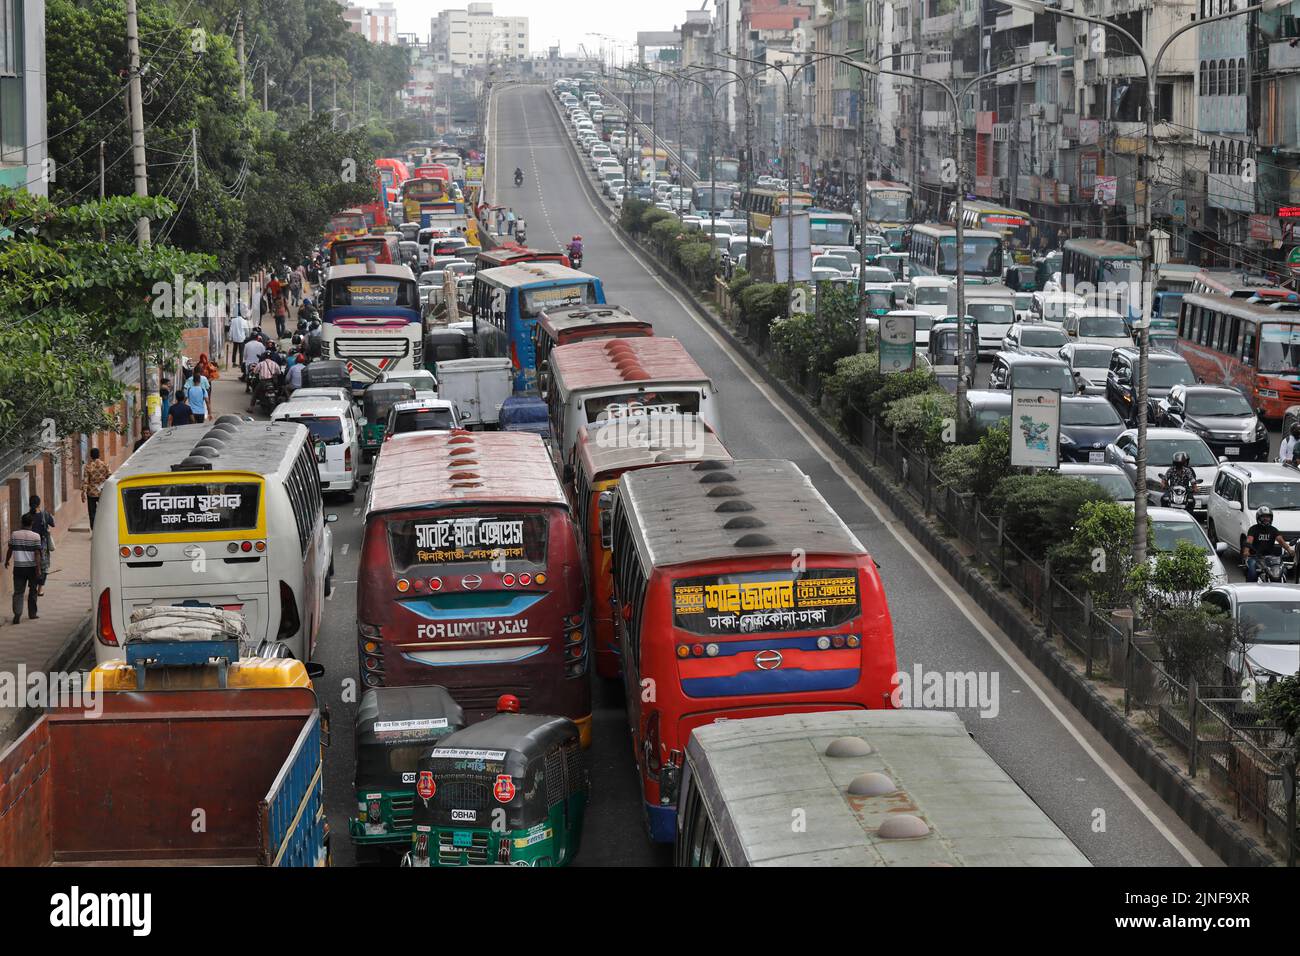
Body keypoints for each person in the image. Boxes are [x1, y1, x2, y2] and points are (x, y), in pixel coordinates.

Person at [1243, 505, 1297, 582]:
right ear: (1258, 518)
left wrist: (1289, 550)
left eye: (1268, 517)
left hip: (1270, 557)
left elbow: (1281, 541)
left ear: (1271, 518)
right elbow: (1249, 540)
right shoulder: (1253, 529)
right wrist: (1246, 551)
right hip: (1255, 557)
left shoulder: (1273, 530)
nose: (1266, 519)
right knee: (1253, 572)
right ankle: (1250, 588)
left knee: (1283, 571)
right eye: (1263, 517)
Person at [5, 513, 42, 623]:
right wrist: (38, 570)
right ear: (32, 523)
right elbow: (37, 554)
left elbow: (10, 549)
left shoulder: (14, 535)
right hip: (32, 569)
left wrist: (7, 561)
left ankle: (17, 614)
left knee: (18, 592)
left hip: (18, 568)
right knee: (33, 591)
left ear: (22, 522)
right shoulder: (36, 536)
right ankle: (32, 613)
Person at [25, 495, 54, 597]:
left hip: (29, 545)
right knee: (44, 567)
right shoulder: (44, 514)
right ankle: (40, 588)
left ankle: (32, 587)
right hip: (42, 545)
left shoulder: (26, 516)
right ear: (39, 503)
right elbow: (53, 523)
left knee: (31, 566)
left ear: (29, 504)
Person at [82, 447, 109, 531]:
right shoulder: (105, 465)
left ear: (91, 456)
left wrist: (83, 493)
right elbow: (110, 476)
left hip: (91, 492)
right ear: (99, 455)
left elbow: (86, 481)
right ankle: (104, 529)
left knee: (92, 513)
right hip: (102, 491)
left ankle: (94, 531)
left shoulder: (88, 467)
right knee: (103, 511)